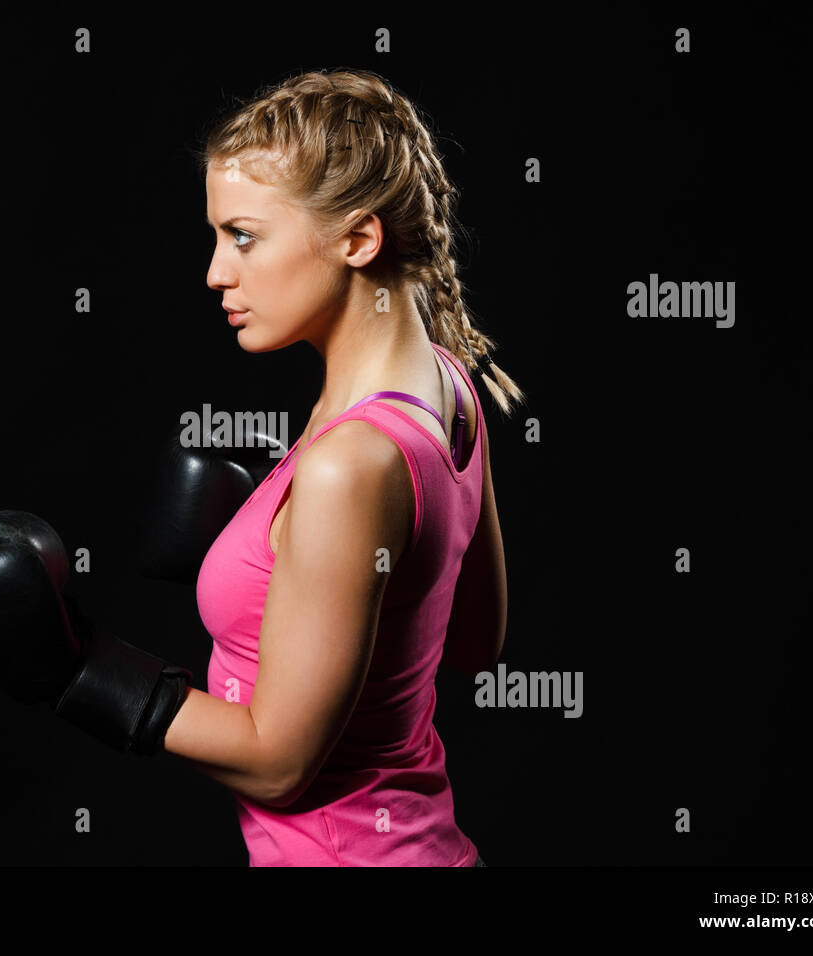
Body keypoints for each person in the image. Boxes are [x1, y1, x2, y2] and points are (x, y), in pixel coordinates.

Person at [158, 68, 526, 866]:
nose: (217, 272)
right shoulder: (447, 387)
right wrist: (285, 550)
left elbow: (278, 764)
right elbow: (474, 642)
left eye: (244, 235)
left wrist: (80, 671)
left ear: (358, 239)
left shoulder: (348, 466)